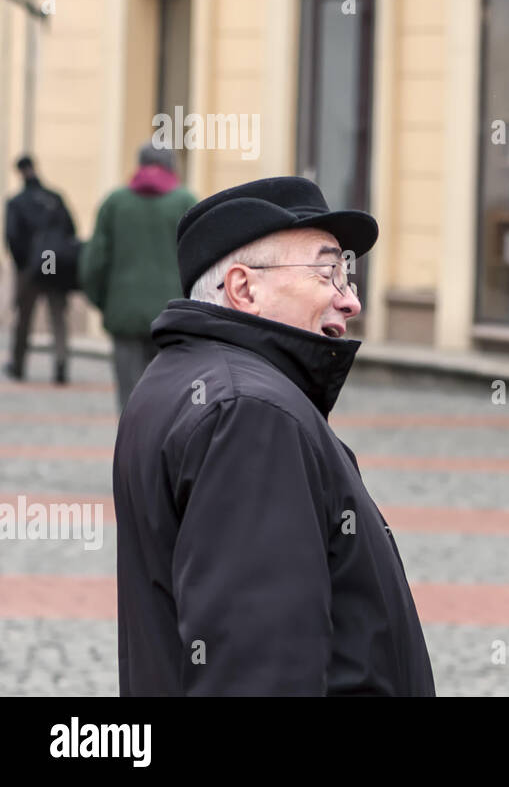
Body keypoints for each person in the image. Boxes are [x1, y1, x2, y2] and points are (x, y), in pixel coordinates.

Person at [113, 177, 435, 695]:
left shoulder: (188, 378)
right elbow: (256, 671)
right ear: (244, 288)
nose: (349, 300)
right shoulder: (249, 412)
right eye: (328, 272)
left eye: (348, 276)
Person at [79, 143, 197, 411]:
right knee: (168, 396)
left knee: (129, 399)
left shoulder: (115, 202)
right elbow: (202, 260)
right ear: (171, 166)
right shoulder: (185, 202)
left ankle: (132, 449)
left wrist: (106, 302)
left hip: (125, 313)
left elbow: (93, 262)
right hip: (173, 316)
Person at [4, 154, 76, 383]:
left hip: (30, 267)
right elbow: (71, 229)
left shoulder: (17, 202)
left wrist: (23, 263)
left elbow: (12, 236)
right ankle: (61, 362)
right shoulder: (54, 198)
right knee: (58, 316)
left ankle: (18, 363)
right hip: (55, 264)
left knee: (24, 317)